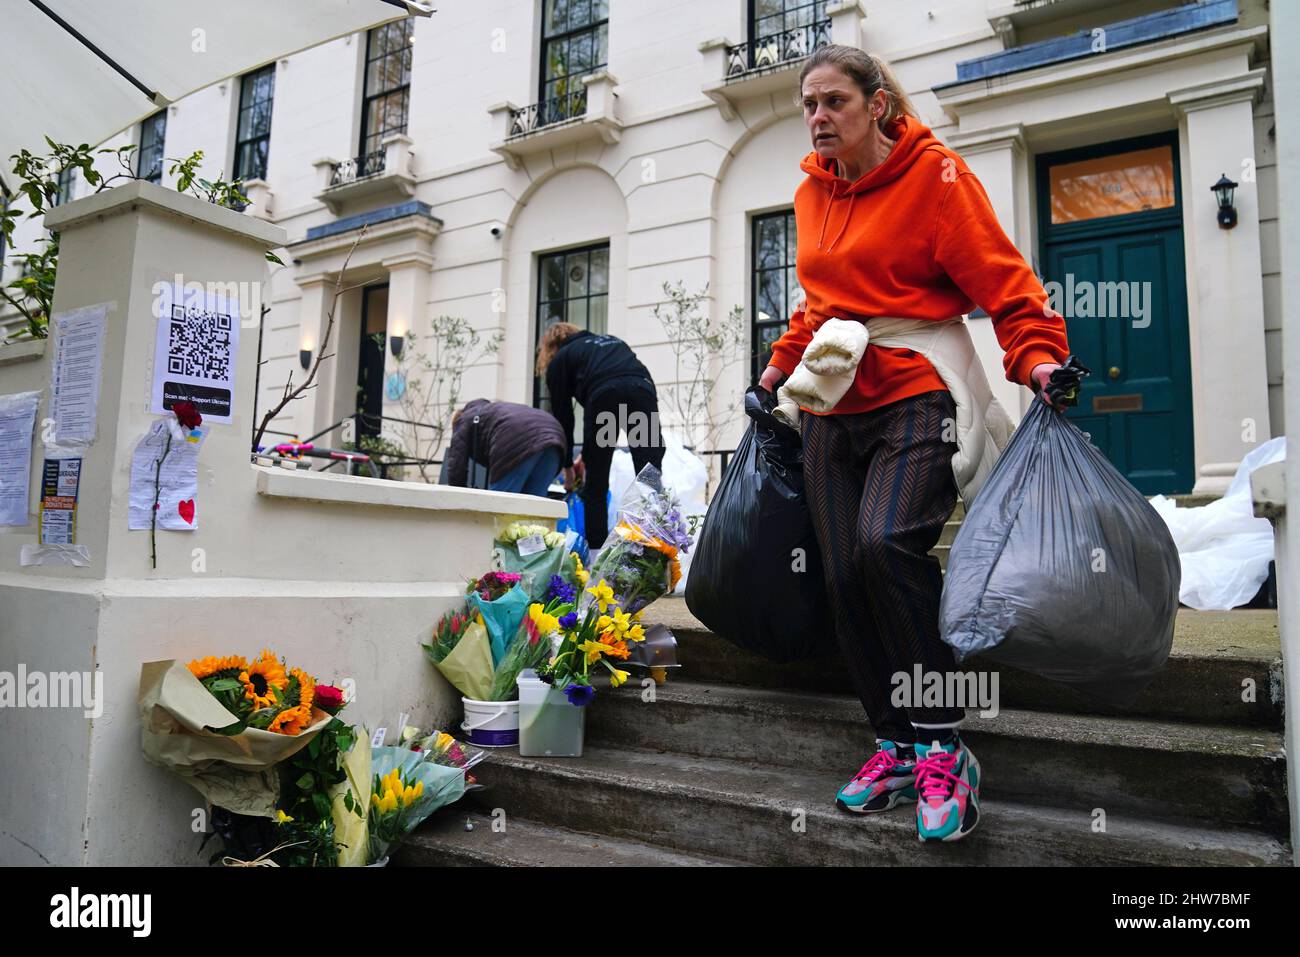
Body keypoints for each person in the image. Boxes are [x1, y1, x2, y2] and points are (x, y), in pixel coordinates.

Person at [757, 45, 1071, 843]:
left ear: (877, 105)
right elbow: (817, 305)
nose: (818, 117)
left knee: (882, 545)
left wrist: (1038, 361)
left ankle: (943, 744)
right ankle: (894, 744)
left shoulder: (938, 179)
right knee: (839, 572)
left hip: (917, 386)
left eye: (833, 101)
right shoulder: (808, 193)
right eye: (809, 104)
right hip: (832, 400)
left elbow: (1007, 284)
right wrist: (771, 377)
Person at [535, 322, 665, 550]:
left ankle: (596, 553)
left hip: (606, 397)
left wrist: (567, 467)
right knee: (649, 472)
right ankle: (657, 547)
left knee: (597, 478)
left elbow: (563, 416)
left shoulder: (561, 359)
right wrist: (584, 456)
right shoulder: (610, 341)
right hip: (640, 389)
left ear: (551, 347)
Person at [442, 398, 566, 497]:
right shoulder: (493, 411)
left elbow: (456, 466)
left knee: (500, 506)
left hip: (518, 437)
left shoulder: (463, 420)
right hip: (555, 433)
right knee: (535, 511)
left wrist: (459, 497)